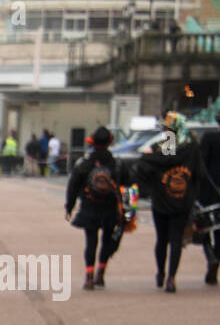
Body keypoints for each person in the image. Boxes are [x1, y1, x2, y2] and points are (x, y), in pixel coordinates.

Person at [136, 112, 200, 293]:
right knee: (176, 240)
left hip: (161, 200)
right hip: (182, 200)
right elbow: (199, 175)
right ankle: (172, 278)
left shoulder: (166, 147)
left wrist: (150, 188)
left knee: (162, 240)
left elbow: (147, 168)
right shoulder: (191, 149)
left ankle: (161, 272)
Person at [65, 127, 128, 290]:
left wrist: (69, 206)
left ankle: (89, 276)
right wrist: (127, 210)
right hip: (110, 208)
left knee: (91, 242)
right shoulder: (116, 164)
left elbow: (73, 186)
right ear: (110, 142)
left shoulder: (85, 163)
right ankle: (101, 271)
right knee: (107, 240)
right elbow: (128, 186)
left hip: (89, 208)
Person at [195, 113, 220, 285]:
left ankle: (210, 255)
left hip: (209, 191)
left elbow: (200, 164)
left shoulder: (209, 137)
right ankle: (216, 259)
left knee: (203, 227)